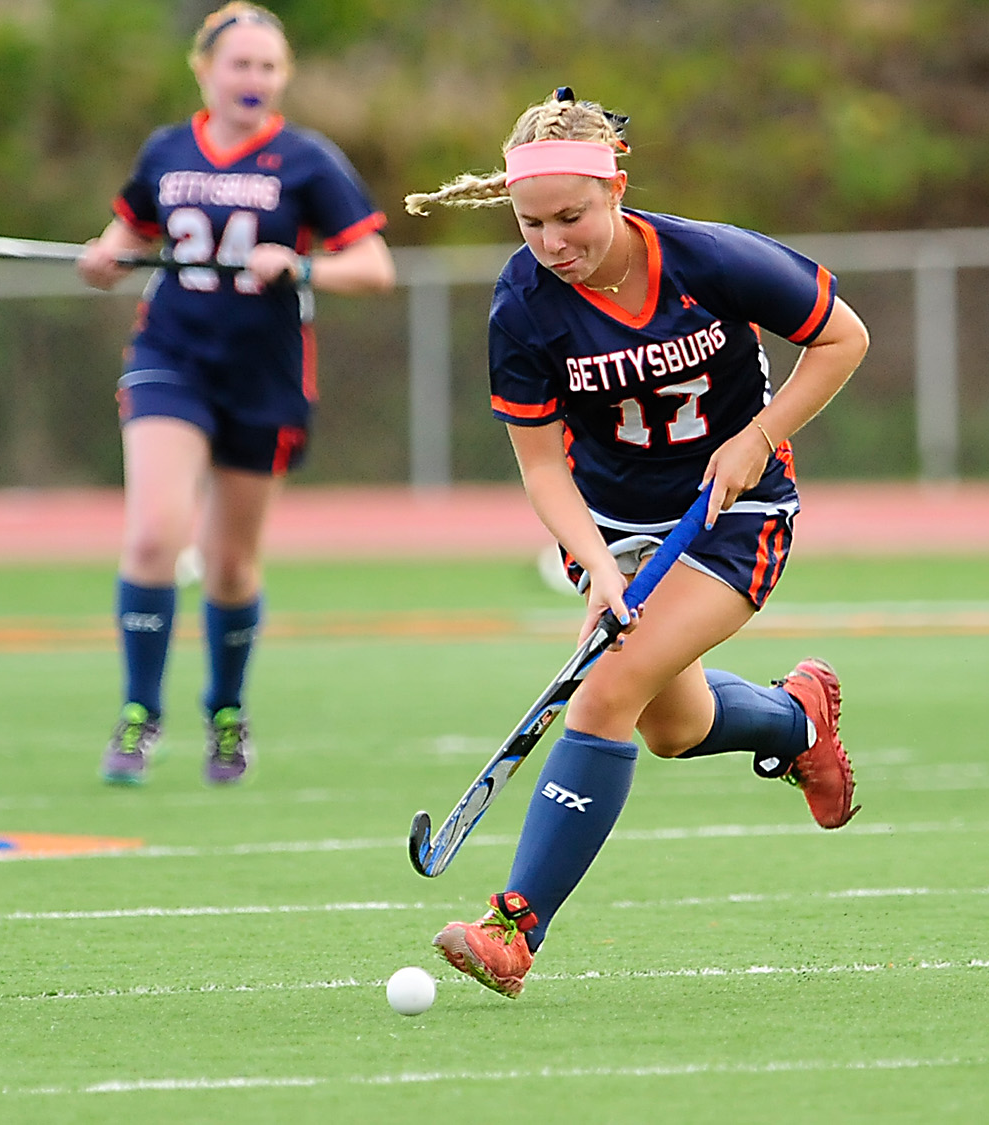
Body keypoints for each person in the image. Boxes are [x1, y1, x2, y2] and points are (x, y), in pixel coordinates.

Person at [404, 88, 870, 998]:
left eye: (571, 218)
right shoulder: (523, 303)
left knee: (609, 688)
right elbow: (542, 468)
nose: (553, 243)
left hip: (735, 514)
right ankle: (798, 718)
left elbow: (842, 339)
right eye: (532, 223)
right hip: (612, 526)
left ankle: (515, 928)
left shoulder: (711, 259)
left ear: (616, 189)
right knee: (671, 726)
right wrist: (596, 566)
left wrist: (757, 437)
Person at [77, 2, 394, 786]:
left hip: (263, 376)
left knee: (229, 565)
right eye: (240, 64)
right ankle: (139, 712)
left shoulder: (307, 160)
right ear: (204, 69)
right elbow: (130, 231)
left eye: (268, 66)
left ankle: (225, 711)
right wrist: (106, 255)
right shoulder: (166, 149)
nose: (254, 78)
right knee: (154, 536)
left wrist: (302, 266)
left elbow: (374, 266)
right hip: (172, 357)